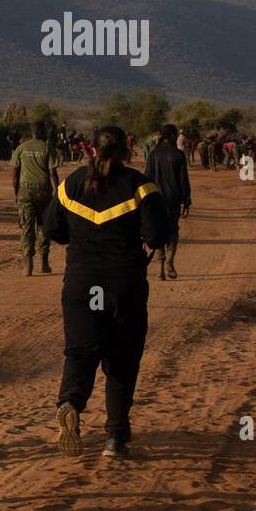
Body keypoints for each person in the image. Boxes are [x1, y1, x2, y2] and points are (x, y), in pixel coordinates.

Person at [43, 126, 167, 457]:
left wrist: (82, 242)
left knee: (80, 353)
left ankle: (70, 402)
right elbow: (156, 234)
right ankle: (115, 437)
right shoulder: (140, 186)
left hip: (83, 284)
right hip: (123, 283)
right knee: (122, 359)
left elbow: (51, 227)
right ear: (127, 148)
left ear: (92, 150)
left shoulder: (71, 184)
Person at [10, 121, 61, 275]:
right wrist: (57, 192)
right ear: (44, 132)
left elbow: (14, 174)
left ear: (31, 132)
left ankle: (28, 265)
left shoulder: (21, 148)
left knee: (26, 227)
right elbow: (52, 173)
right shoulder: (48, 148)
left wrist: (16, 192)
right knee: (43, 226)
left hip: (25, 191)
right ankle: (44, 262)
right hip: (44, 191)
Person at [146, 123, 192, 280]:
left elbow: (147, 179)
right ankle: (170, 262)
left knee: (159, 231)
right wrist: (187, 200)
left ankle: (160, 268)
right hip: (173, 200)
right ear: (172, 136)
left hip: (155, 199)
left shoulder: (153, 155)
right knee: (173, 230)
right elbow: (183, 180)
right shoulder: (178, 155)